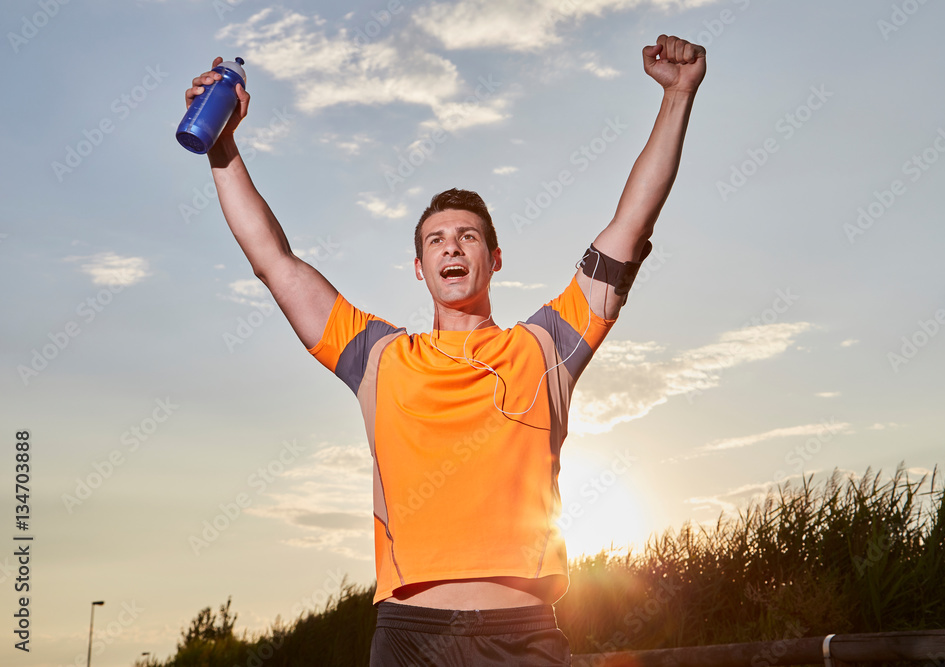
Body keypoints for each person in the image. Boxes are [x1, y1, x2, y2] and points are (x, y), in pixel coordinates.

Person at [185, 33, 706, 666]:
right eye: (436, 240)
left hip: (525, 636)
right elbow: (274, 261)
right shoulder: (380, 358)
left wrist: (678, 96)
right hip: (409, 639)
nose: (452, 247)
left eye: (467, 237)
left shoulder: (546, 347)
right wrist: (223, 149)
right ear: (418, 266)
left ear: (494, 258)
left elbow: (631, 224)